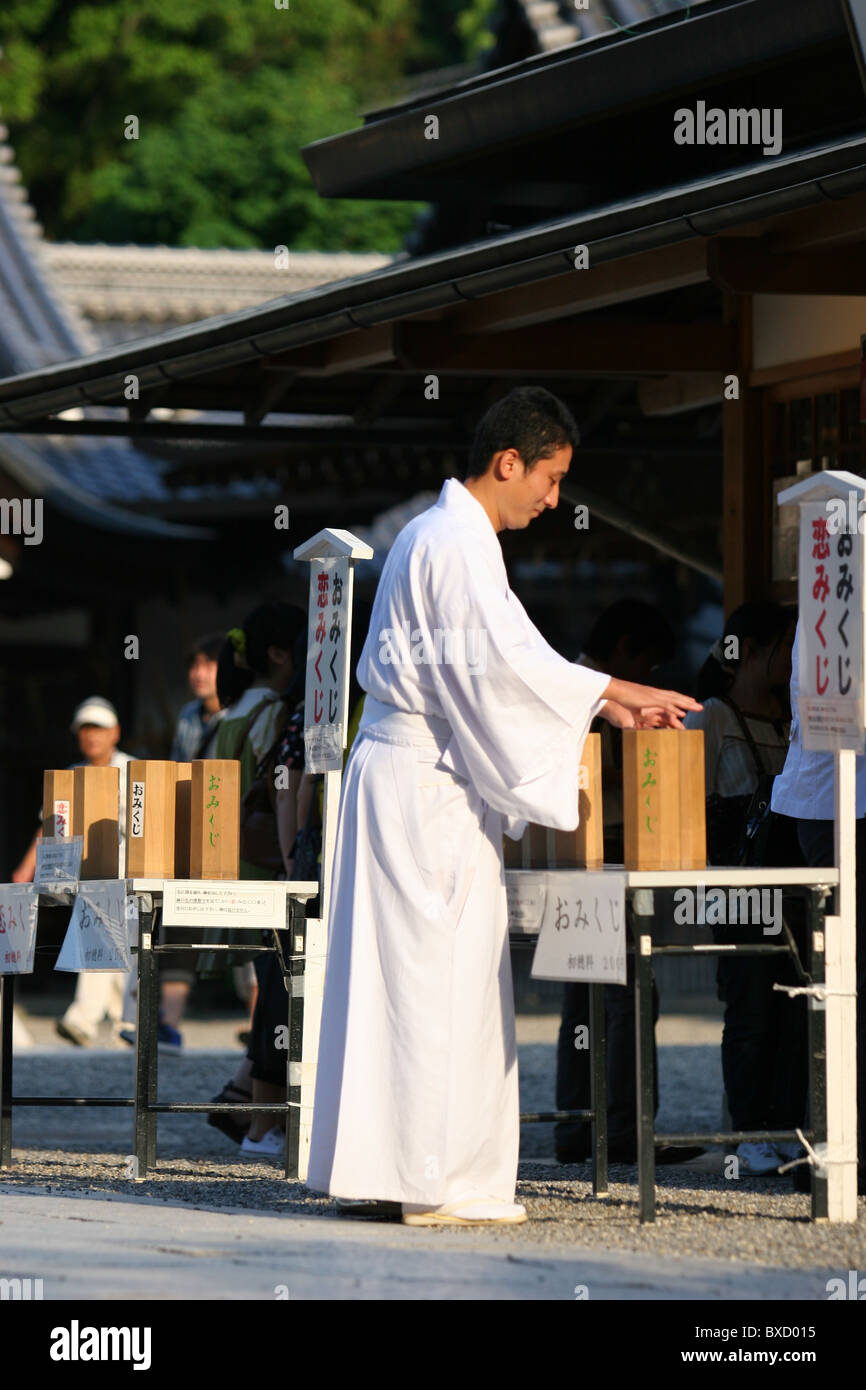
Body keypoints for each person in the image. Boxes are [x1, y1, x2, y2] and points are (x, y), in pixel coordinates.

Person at [306, 386, 701, 1225]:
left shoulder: (442, 536)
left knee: (400, 977)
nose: (555, 500)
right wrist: (609, 691)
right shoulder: (452, 541)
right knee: (435, 979)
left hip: (407, 773)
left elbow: (512, 658)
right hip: (422, 783)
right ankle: (431, 1181)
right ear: (508, 461)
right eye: (550, 479)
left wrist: (607, 696)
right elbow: (499, 670)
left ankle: (386, 1171)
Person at [554, 601, 703, 1165]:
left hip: (571, 856)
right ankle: (621, 1132)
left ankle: (578, 1128)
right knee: (628, 996)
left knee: (583, 999)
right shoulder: (591, 695)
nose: (647, 681)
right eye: (645, 664)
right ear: (623, 648)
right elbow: (600, 770)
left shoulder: (571, 685)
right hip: (606, 854)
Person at [686, 602, 805, 1177]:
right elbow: (688, 804)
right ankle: (748, 1132)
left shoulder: (796, 716)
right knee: (751, 1007)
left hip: (790, 880)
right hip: (735, 883)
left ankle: (782, 1126)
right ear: (751, 651)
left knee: (791, 1008)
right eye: (787, 642)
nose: (796, 654)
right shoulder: (713, 715)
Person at [771, 619, 866, 1196]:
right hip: (841, 803)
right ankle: (838, 1149)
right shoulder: (842, 584)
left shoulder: (831, 585)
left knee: (838, 983)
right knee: (842, 984)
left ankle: (836, 1145)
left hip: (827, 798)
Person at [13, 697, 134, 1047]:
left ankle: (86, 1019)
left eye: (98, 728)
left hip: (131, 873)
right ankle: (123, 1024)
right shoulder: (71, 774)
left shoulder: (133, 771)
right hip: (90, 876)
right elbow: (49, 826)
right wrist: (26, 868)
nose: (92, 736)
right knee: (112, 946)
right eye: (85, 730)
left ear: (115, 733)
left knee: (110, 942)